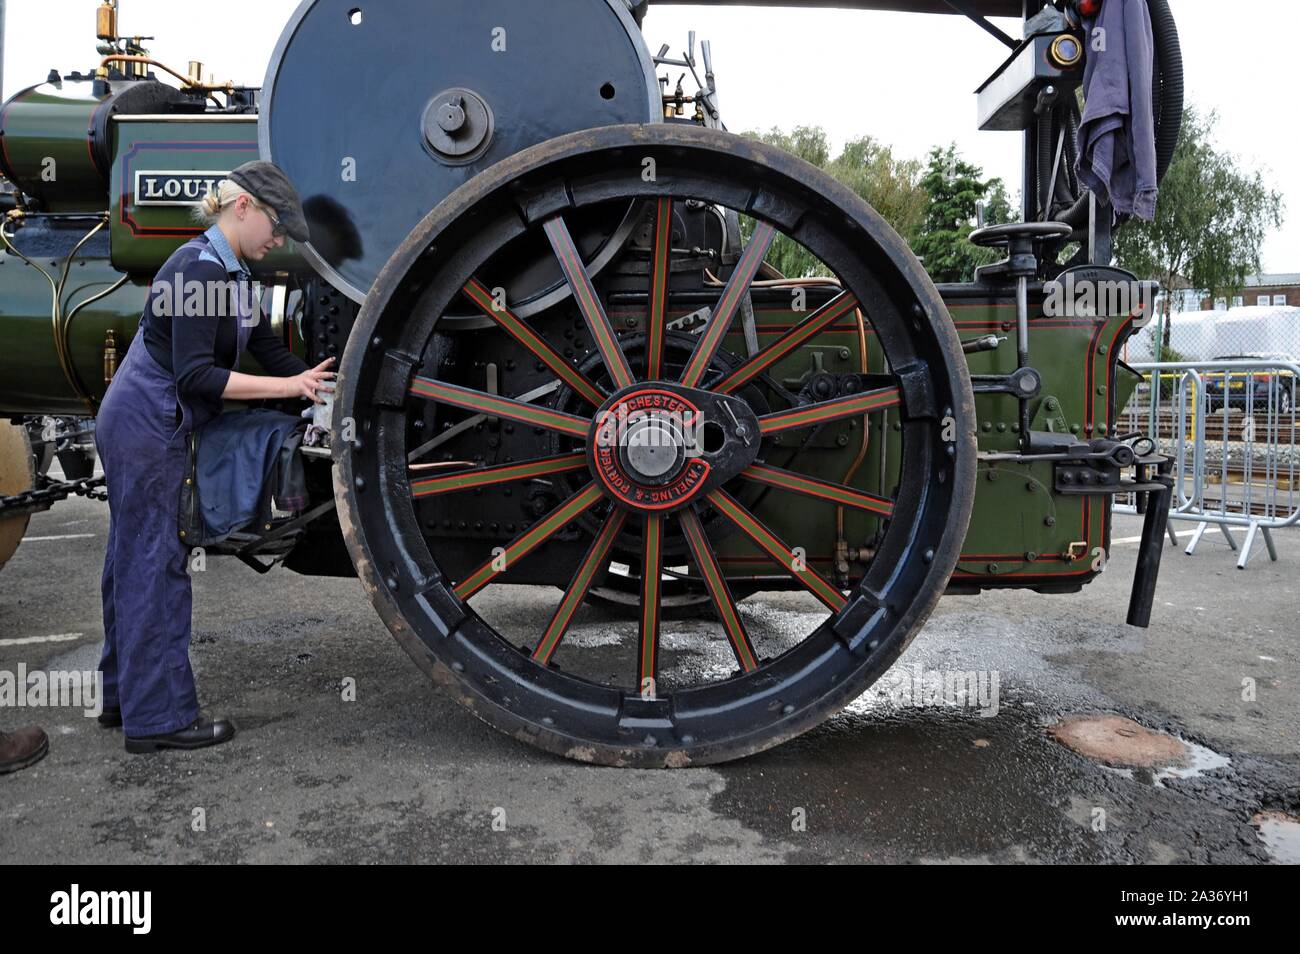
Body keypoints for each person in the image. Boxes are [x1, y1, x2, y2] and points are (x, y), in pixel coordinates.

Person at [96, 160, 335, 754]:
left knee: (131, 557)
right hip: (147, 423)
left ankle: (123, 697)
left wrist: (317, 384)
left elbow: (264, 350)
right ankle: (159, 721)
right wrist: (291, 391)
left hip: (155, 419)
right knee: (155, 561)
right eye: (277, 227)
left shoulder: (235, 276)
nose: (278, 241)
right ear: (243, 207)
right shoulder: (195, 269)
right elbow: (198, 376)